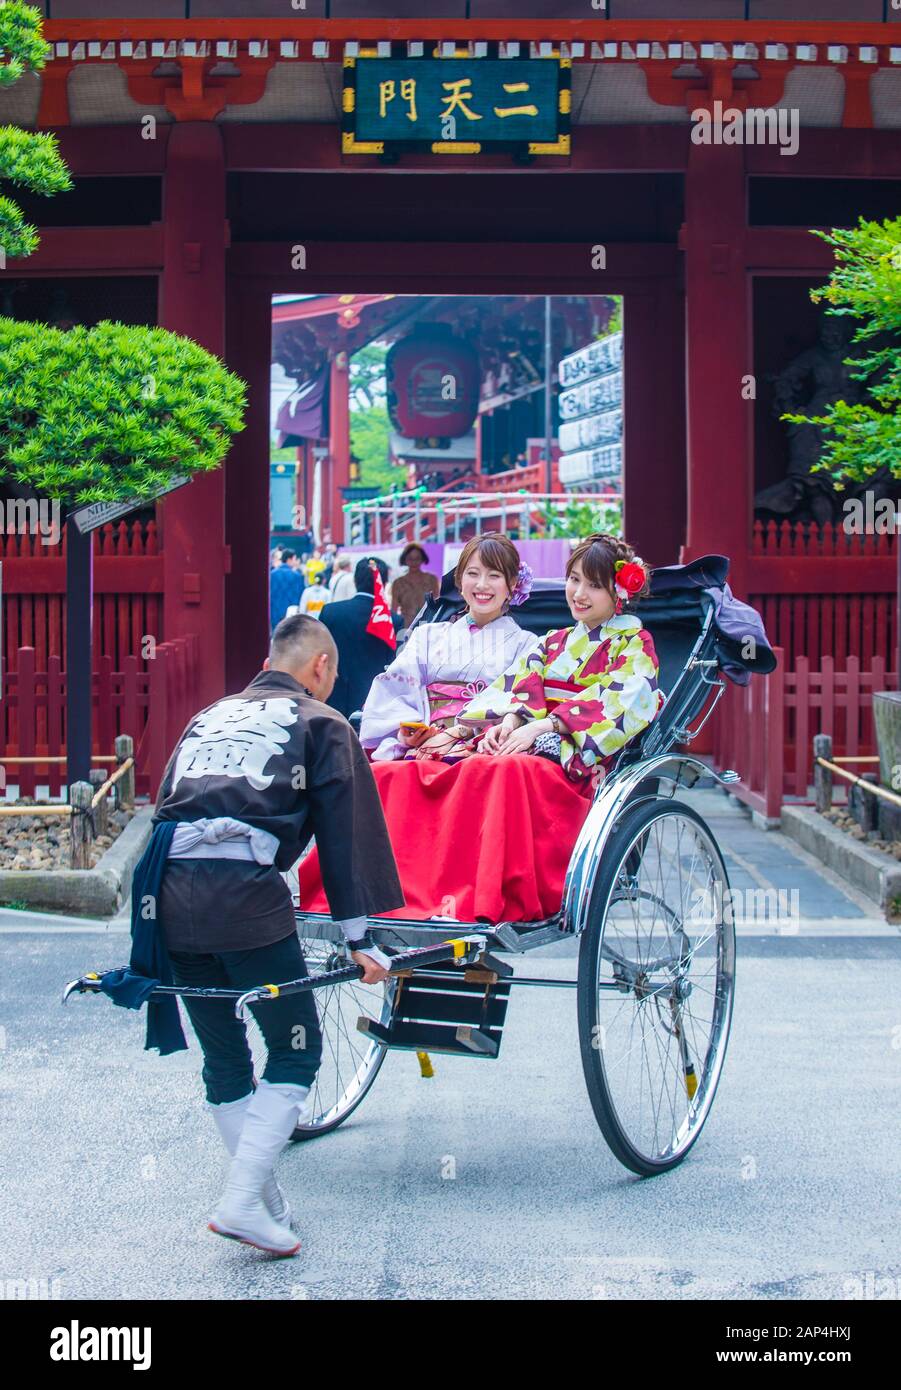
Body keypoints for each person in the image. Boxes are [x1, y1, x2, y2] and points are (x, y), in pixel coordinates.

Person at [99, 615, 404, 1258]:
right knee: (295, 1050)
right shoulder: (322, 723)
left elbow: (167, 805)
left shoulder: (209, 716)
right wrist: (359, 938)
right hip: (240, 898)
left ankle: (261, 1204)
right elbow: (344, 834)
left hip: (162, 897)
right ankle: (241, 1201)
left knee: (227, 1059)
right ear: (321, 667)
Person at [303, 534, 662, 925]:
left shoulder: (633, 645)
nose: (579, 593)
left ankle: (470, 895)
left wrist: (543, 724)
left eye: (594, 585)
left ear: (620, 591)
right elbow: (519, 689)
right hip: (517, 742)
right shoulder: (553, 642)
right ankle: (391, 893)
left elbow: (629, 699)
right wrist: (500, 724)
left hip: (575, 757)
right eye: (574, 579)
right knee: (389, 775)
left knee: (491, 771)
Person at [358, 534, 539, 762]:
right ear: (460, 581)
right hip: (426, 748)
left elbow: (525, 706)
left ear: (512, 584)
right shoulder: (427, 636)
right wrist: (408, 732)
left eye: (494, 575)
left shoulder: (527, 644)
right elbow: (395, 692)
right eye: (473, 574)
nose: (482, 584)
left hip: (485, 751)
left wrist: (464, 732)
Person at [319, 556, 396, 719]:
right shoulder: (393, 620)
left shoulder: (331, 612)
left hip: (334, 699)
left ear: (355, 580)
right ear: (384, 583)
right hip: (374, 703)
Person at [390, 542, 441, 631]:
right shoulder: (398, 583)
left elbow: (437, 605)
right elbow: (393, 611)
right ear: (405, 560)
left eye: (417, 559)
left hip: (427, 626)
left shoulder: (432, 579)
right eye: (410, 559)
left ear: (422, 559)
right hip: (405, 628)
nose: (414, 562)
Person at [269, 548, 304, 630]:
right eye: (294, 559)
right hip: (291, 612)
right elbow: (300, 594)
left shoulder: (272, 574)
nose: (295, 562)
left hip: (274, 611)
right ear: (289, 559)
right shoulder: (296, 575)